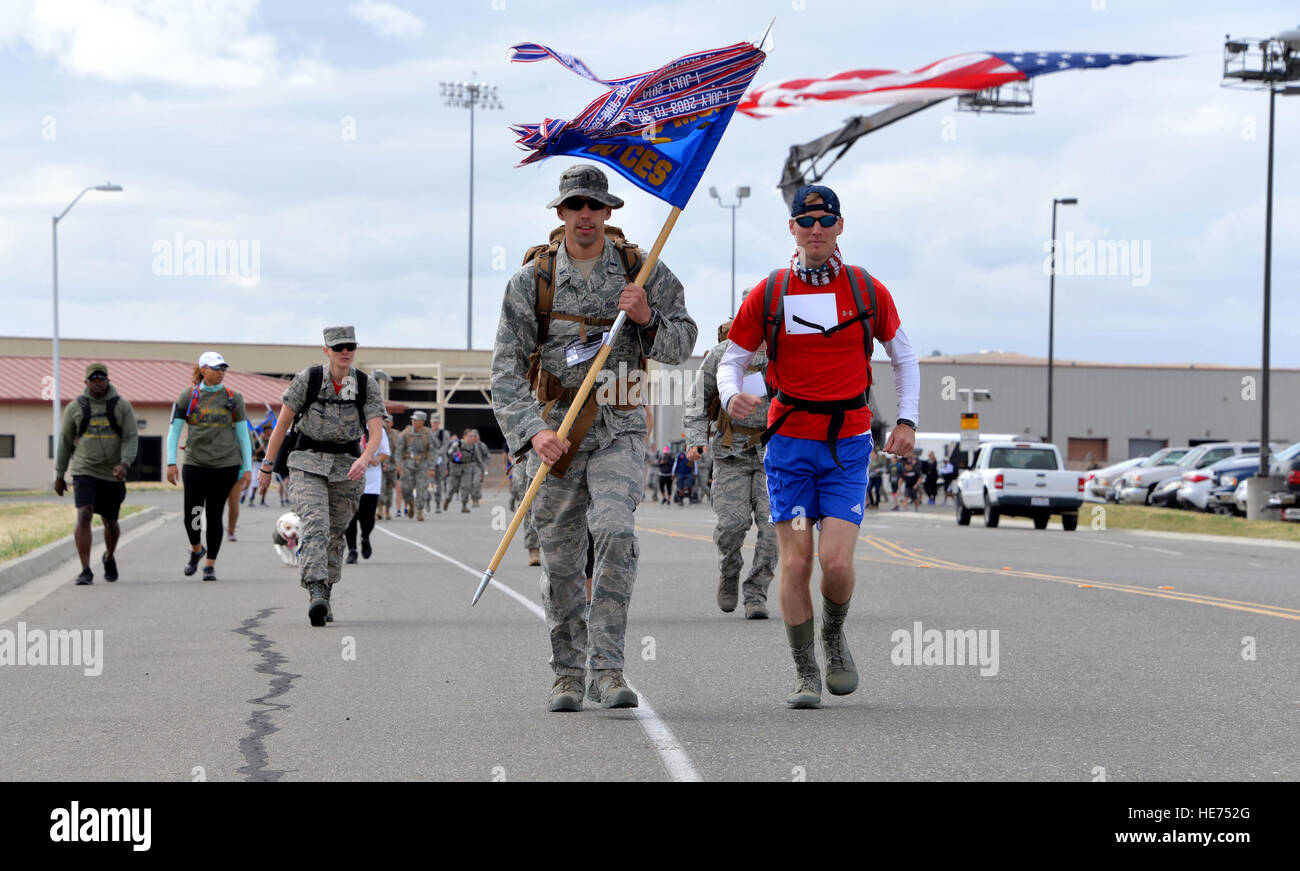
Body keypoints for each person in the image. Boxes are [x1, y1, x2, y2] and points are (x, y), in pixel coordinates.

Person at [491, 163, 697, 712]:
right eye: (575, 206)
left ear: (608, 213)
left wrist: (648, 316)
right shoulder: (531, 282)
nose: (586, 215)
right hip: (556, 436)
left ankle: (607, 669)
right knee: (560, 559)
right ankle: (566, 674)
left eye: (594, 206)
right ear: (561, 214)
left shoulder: (642, 269)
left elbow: (681, 345)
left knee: (613, 531)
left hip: (618, 431)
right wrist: (533, 433)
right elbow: (505, 372)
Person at [719, 184, 919, 709]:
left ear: (839, 227)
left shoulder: (866, 289)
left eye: (825, 220)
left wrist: (906, 421)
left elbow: (904, 356)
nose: (815, 229)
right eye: (805, 221)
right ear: (791, 228)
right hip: (788, 446)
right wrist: (731, 395)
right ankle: (805, 671)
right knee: (798, 562)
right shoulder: (771, 291)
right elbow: (731, 359)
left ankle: (833, 635)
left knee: (835, 563)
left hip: (847, 446)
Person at [257, 327, 384, 626]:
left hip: (347, 465)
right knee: (316, 522)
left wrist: (365, 459)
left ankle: (325, 593)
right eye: (338, 347)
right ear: (326, 350)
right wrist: (267, 466)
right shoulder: (309, 379)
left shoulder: (366, 384)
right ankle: (314, 587)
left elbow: (376, 431)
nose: (344, 352)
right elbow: (282, 424)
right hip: (306, 463)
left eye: (349, 346)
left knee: (335, 532)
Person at [684, 318, 777, 618]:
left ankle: (756, 593)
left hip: (773, 454)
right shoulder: (722, 354)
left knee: (774, 529)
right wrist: (696, 440)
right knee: (731, 526)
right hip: (730, 452)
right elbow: (698, 400)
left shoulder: (783, 354)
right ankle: (729, 571)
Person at [165, 352, 253, 580]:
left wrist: (247, 468)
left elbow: (243, 436)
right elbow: (174, 431)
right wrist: (171, 462)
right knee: (192, 515)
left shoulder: (234, 397)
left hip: (226, 465)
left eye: (223, 368)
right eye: (216, 368)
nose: (221, 372)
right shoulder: (189, 396)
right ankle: (197, 549)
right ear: (203, 370)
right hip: (195, 463)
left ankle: (210, 565)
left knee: (214, 515)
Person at [54, 362, 138, 585]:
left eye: (102, 378)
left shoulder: (122, 406)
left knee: (110, 521)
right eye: (93, 379)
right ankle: (85, 570)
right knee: (84, 513)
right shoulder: (75, 407)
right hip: (84, 470)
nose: (98, 382)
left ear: (108, 381)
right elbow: (64, 442)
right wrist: (60, 473)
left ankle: (109, 557)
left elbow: (131, 437)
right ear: (86, 382)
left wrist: (125, 463)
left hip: (113, 473)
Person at [345, 411, 391, 562]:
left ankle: (365, 537)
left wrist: (377, 459)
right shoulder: (347, 427)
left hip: (371, 481)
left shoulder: (377, 430)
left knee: (368, 518)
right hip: (350, 478)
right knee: (350, 517)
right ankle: (352, 550)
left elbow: (385, 453)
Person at [398, 410, 434, 520]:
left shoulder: (428, 434)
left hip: (423, 464)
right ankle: (410, 504)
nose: (413, 421)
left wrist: (432, 467)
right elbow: (399, 449)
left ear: (422, 421)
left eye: (415, 419)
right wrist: (399, 464)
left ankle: (419, 511)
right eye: (412, 419)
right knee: (405, 488)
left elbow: (433, 451)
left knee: (421, 488)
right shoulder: (406, 432)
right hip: (408, 464)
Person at [507, 453, 541, 566]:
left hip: (551, 465)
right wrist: (516, 493)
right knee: (529, 513)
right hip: (527, 471)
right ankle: (534, 551)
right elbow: (517, 463)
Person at [463, 428, 491, 510]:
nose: (473, 438)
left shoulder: (481, 445)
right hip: (468, 466)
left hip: (478, 466)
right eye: (471, 436)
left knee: (476, 483)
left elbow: (487, 456)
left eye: (475, 436)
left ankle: (475, 499)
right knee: (468, 484)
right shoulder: (466, 445)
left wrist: (485, 466)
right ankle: (466, 500)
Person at [379, 414, 399, 519]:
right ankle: (379, 510)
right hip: (380, 465)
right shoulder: (379, 434)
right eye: (384, 422)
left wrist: (397, 464)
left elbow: (399, 451)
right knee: (380, 488)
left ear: (392, 423)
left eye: (388, 422)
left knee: (389, 490)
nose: (386, 424)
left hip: (392, 466)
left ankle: (387, 510)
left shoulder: (396, 435)